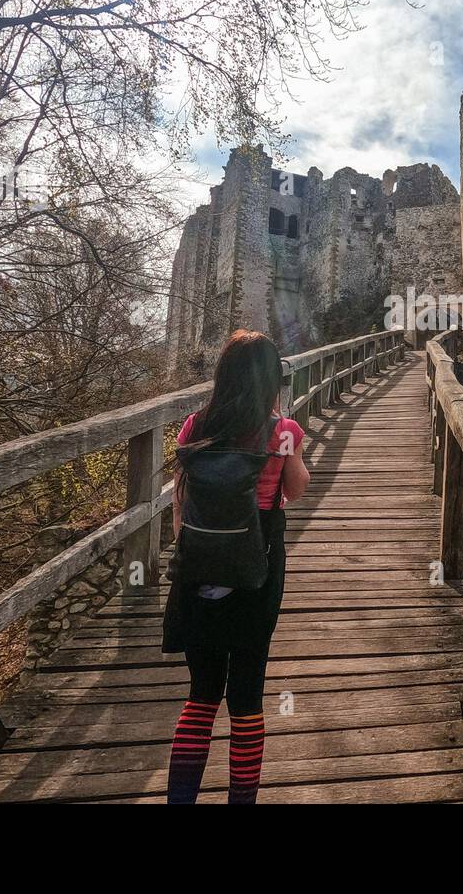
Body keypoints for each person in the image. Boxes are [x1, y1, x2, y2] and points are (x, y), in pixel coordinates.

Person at [163, 330, 309, 804]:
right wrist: (293, 452)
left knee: (201, 694)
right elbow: (294, 491)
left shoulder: (194, 426)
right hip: (256, 566)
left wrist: (188, 550)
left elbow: (181, 498)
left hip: (199, 562)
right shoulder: (283, 432)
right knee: (246, 697)